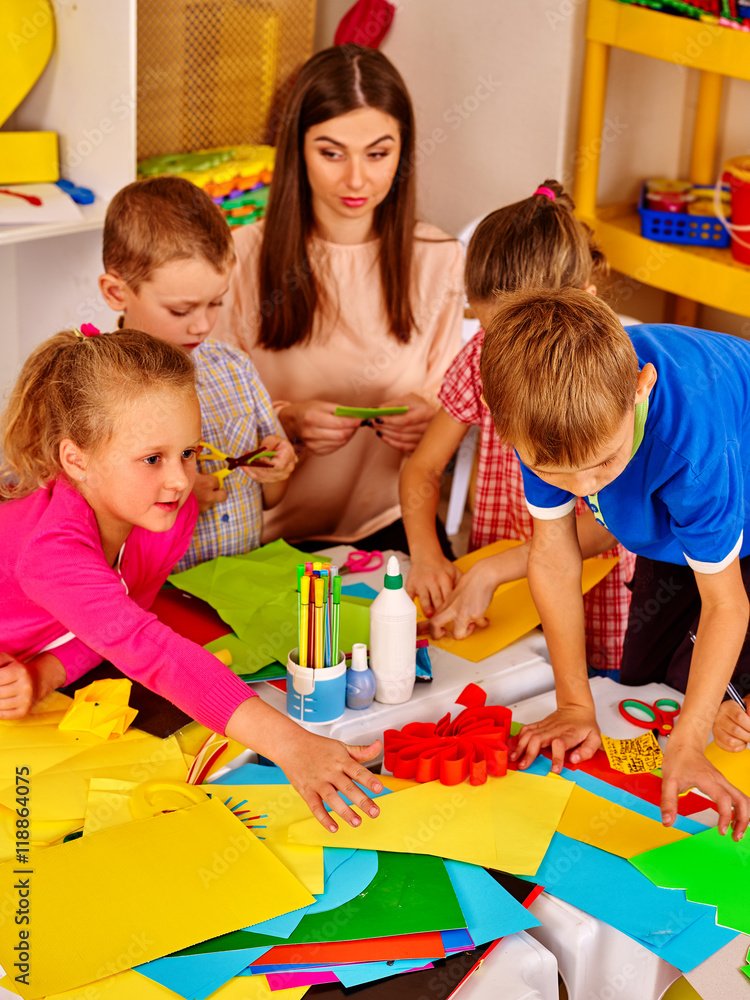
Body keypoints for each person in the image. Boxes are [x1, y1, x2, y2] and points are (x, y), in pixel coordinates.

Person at [0, 328, 382, 830]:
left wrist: (44, 673)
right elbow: (150, 650)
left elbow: (120, 623)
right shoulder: (51, 551)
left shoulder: (170, 516)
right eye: (152, 459)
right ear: (77, 460)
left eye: (188, 452)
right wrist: (291, 744)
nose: (181, 480)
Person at [479, 285, 750, 839]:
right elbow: (555, 558)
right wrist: (573, 703)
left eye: (603, 463)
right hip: (674, 520)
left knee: (730, 711)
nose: (583, 488)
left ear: (641, 388)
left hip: (729, 490)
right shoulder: (540, 412)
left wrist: (691, 739)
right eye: (557, 473)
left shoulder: (690, 448)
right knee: (647, 680)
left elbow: (726, 603)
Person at [212, 44, 463, 552]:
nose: (356, 179)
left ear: (403, 151)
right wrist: (285, 421)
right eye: (331, 153)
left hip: (393, 522)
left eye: (378, 154)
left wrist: (430, 419)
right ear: (296, 150)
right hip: (262, 536)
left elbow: (451, 401)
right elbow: (209, 419)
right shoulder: (238, 258)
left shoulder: (440, 258)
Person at [401, 183, 634, 677]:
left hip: (593, 582)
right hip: (504, 581)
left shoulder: (610, 371)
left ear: (583, 303)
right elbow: (422, 467)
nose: (502, 350)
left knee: (590, 690)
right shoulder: (478, 360)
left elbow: (608, 525)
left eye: (518, 332)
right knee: (507, 679)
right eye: (492, 331)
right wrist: (425, 554)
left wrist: (496, 569)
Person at [98, 176, 297, 571]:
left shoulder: (234, 368)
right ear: (117, 293)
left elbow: (273, 498)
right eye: (181, 310)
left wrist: (277, 469)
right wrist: (178, 502)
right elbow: (81, 527)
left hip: (242, 582)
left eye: (215, 303)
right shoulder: (95, 388)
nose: (202, 325)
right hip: (153, 596)